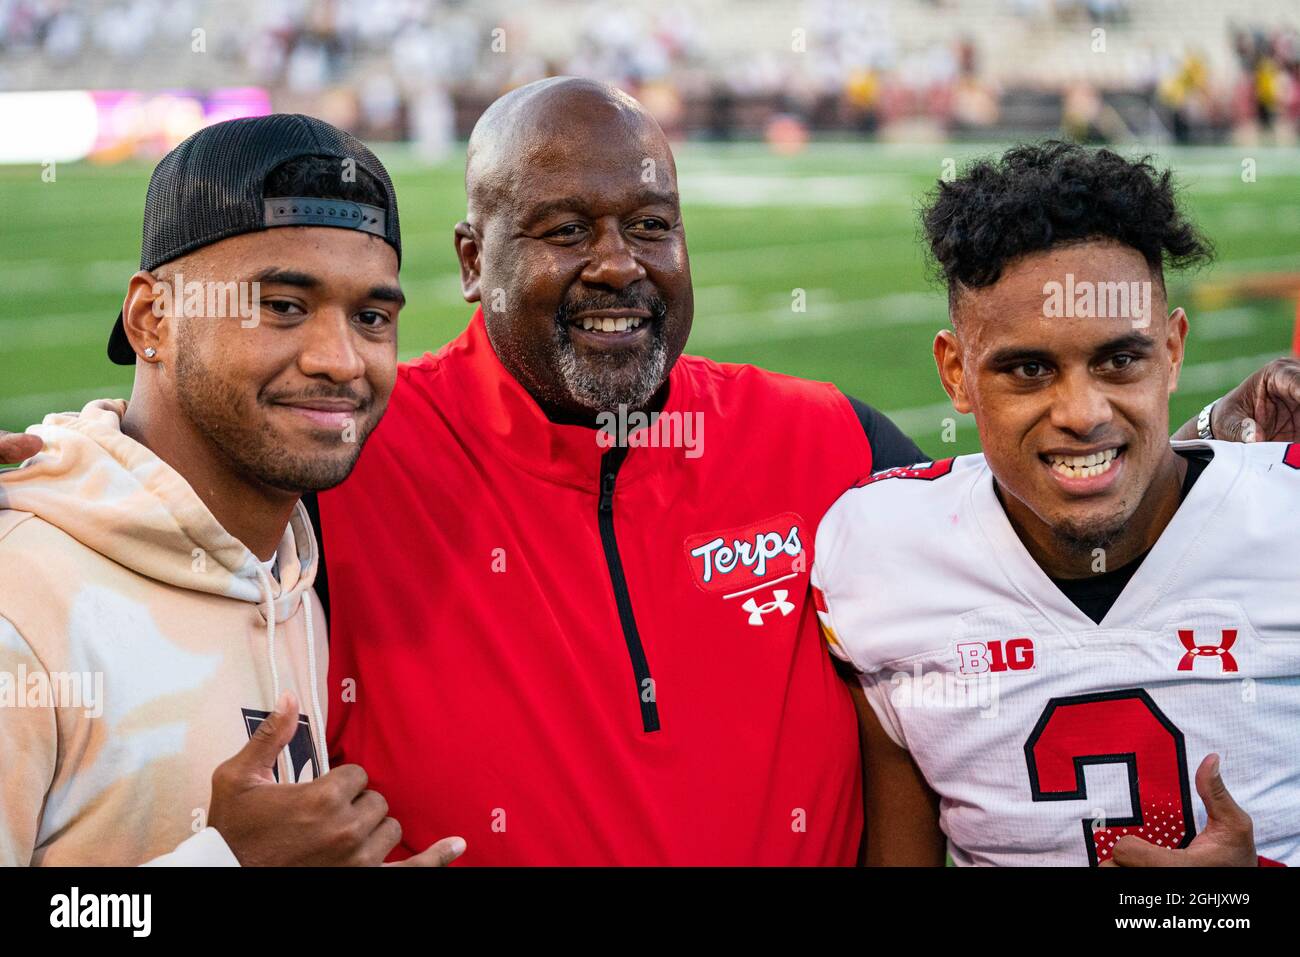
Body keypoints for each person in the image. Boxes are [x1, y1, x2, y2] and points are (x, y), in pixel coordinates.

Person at [312, 82, 1300, 865]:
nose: (617, 263)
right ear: (472, 256)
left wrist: (1212, 434)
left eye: (652, 224)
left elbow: (1045, 482)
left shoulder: (822, 442)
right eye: (564, 230)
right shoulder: (343, 448)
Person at [812, 142, 1300, 866]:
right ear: (956, 372)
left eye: (1120, 358)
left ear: (1173, 351)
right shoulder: (878, 554)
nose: (1080, 411)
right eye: (1029, 368)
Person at [0, 114, 462, 866]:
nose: (341, 360)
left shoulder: (292, 578)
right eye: (282, 305)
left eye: (372, 316)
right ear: (154, 318)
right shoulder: (20, 599)